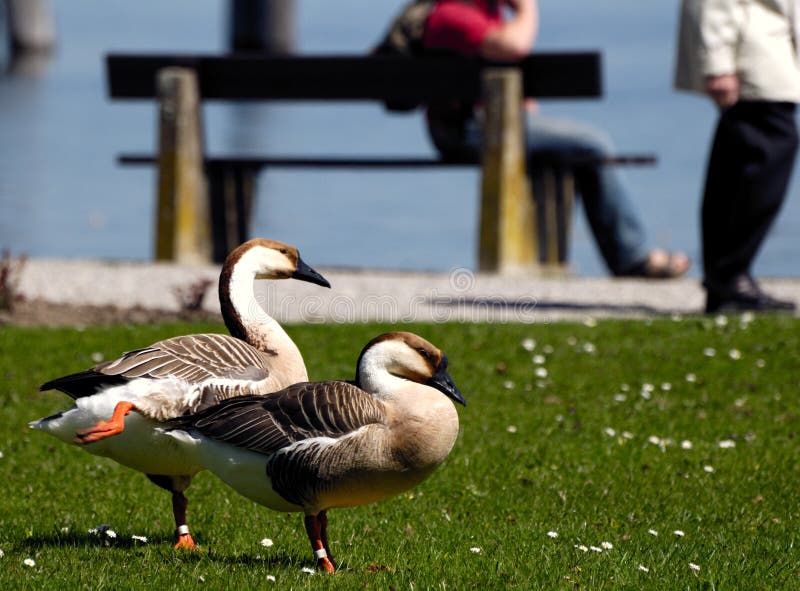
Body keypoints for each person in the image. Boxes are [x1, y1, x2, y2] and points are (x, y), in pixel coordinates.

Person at [421, 0, 690, 278]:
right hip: (469, 131)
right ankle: (630, 256)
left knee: (577, 149)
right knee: (593, 143)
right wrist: (527, 9)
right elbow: (514, 46)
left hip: (482, 125)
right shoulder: (452, 14)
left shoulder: (479, 13)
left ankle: (598, 257)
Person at [675, 0, 798, 312]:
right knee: (764, 151)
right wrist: (717, 61)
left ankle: (726, 279)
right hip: (752, 51)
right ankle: (730, 276)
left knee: (737, 160)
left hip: (763, 47)